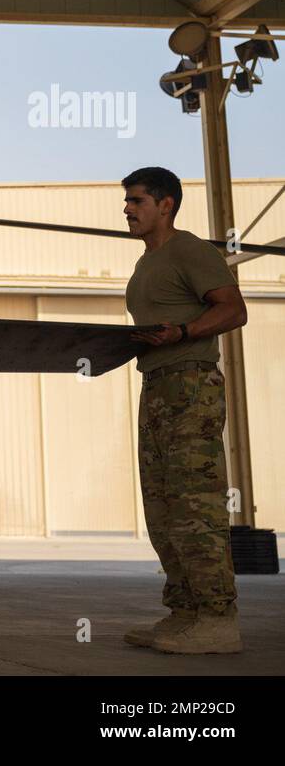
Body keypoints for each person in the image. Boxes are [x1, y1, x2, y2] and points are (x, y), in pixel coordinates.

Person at [121, 166, 247, 655]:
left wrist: (183, 332)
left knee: (195, 504)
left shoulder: (190, 250)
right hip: (156, 386)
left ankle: (218, 618)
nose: (128, 210)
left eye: (136, 201)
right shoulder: (144, 264)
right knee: (162, 505)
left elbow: (233, 309)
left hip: (191, 386)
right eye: (127, 203)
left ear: (165, 204)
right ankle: (185, 613)